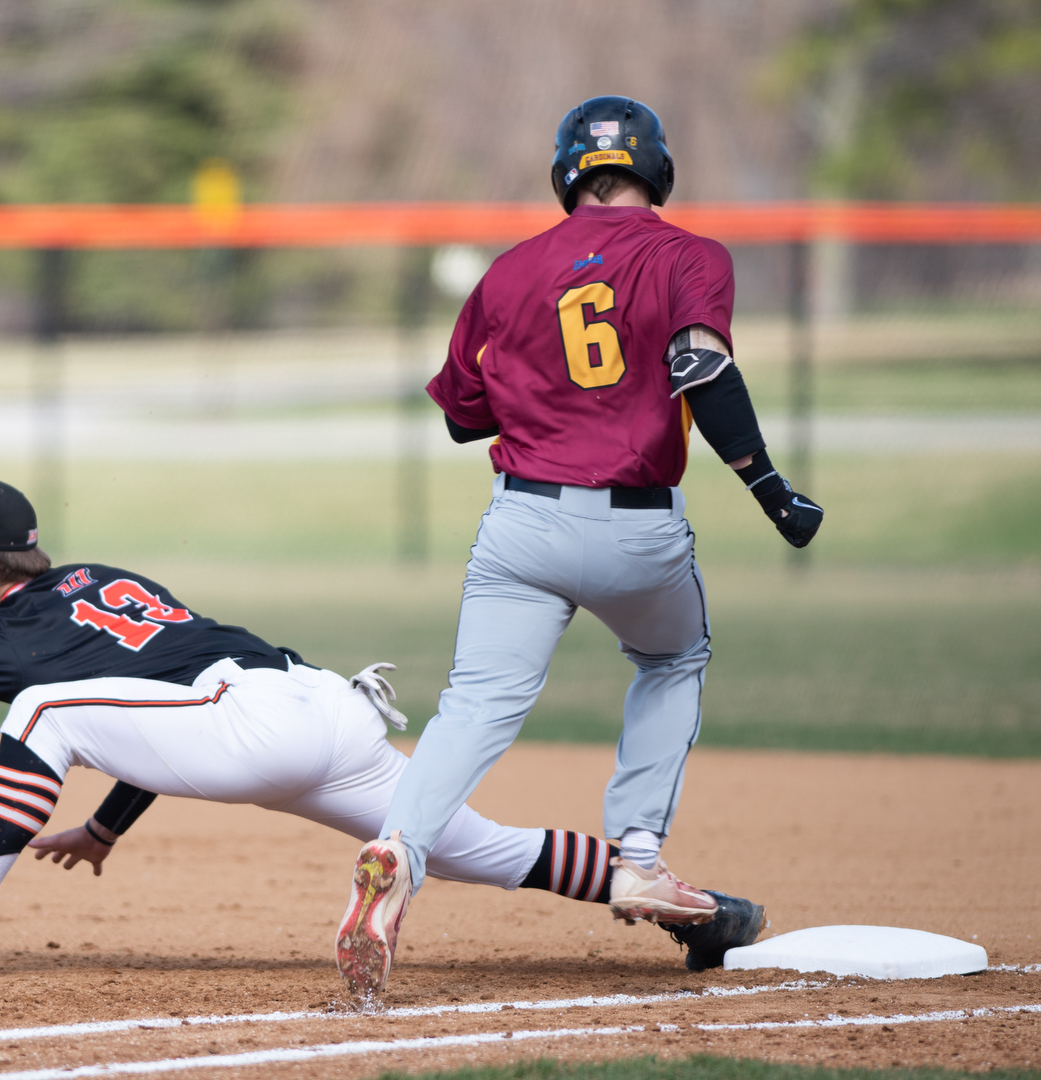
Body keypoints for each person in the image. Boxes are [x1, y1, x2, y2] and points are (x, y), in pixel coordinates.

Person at [0, 478, 736, 977]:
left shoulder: (1, 643)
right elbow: (163, 699)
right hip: (317, 709)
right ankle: (685, 902)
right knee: (475, 848)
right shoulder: (101, 580)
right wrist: (103, 831)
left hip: (252, 723)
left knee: (49, 711)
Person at [334, 97, 803, 997]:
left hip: (523, 524)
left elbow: (462, 415)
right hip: (637, 525)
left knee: (474, 704)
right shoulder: (689, 256)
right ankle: (636, 855)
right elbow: (702, 366)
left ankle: (397, 850)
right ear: (656, 169)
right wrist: (769, 486)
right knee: (674, 658)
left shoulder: (507, 272)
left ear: (566, 175)